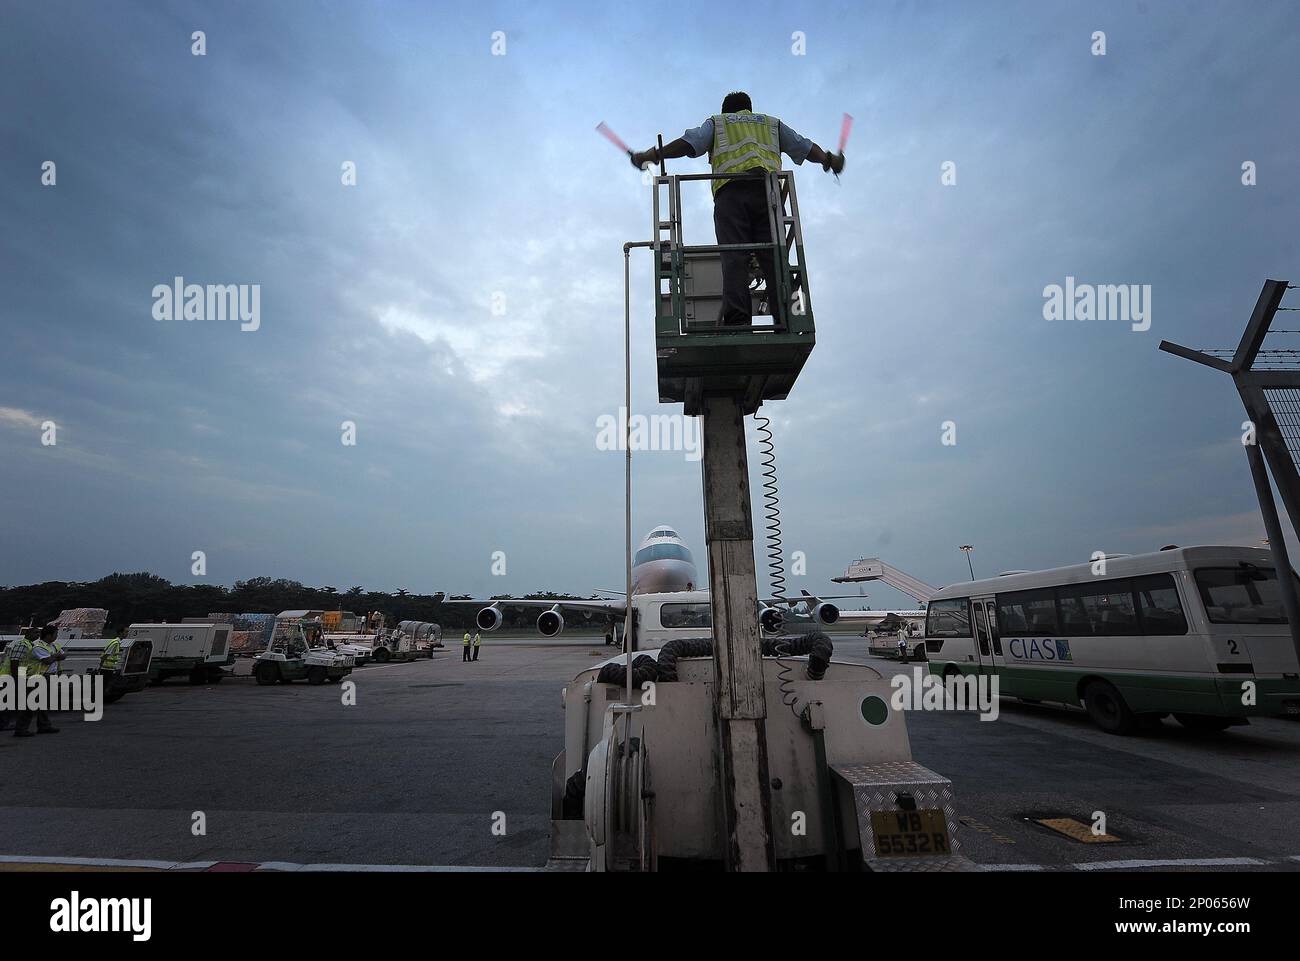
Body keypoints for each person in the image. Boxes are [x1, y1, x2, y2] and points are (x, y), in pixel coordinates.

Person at [630, 92, 845, 328]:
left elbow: (691, 142)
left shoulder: (719, 123)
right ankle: (792, 315)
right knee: (777, 259)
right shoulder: (771, 124)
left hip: (731, 194)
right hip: (768, 194)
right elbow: (803, 146)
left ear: (726, 111)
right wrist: (828, 160)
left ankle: (738, 321)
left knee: (734, 258)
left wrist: (653, 156)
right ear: (750, 109)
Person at [13, 624, 63, 737]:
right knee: (30, 704)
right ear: (49, 635)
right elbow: (47, 661)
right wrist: (56, 656)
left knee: (43, 703)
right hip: (37, 677)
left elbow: (62, 656)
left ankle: (44, 725)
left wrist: (55, 656)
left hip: (47, 676)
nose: (56, 636)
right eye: (55, 634)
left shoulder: (53, 646)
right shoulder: (38, 647)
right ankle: (21, 729)